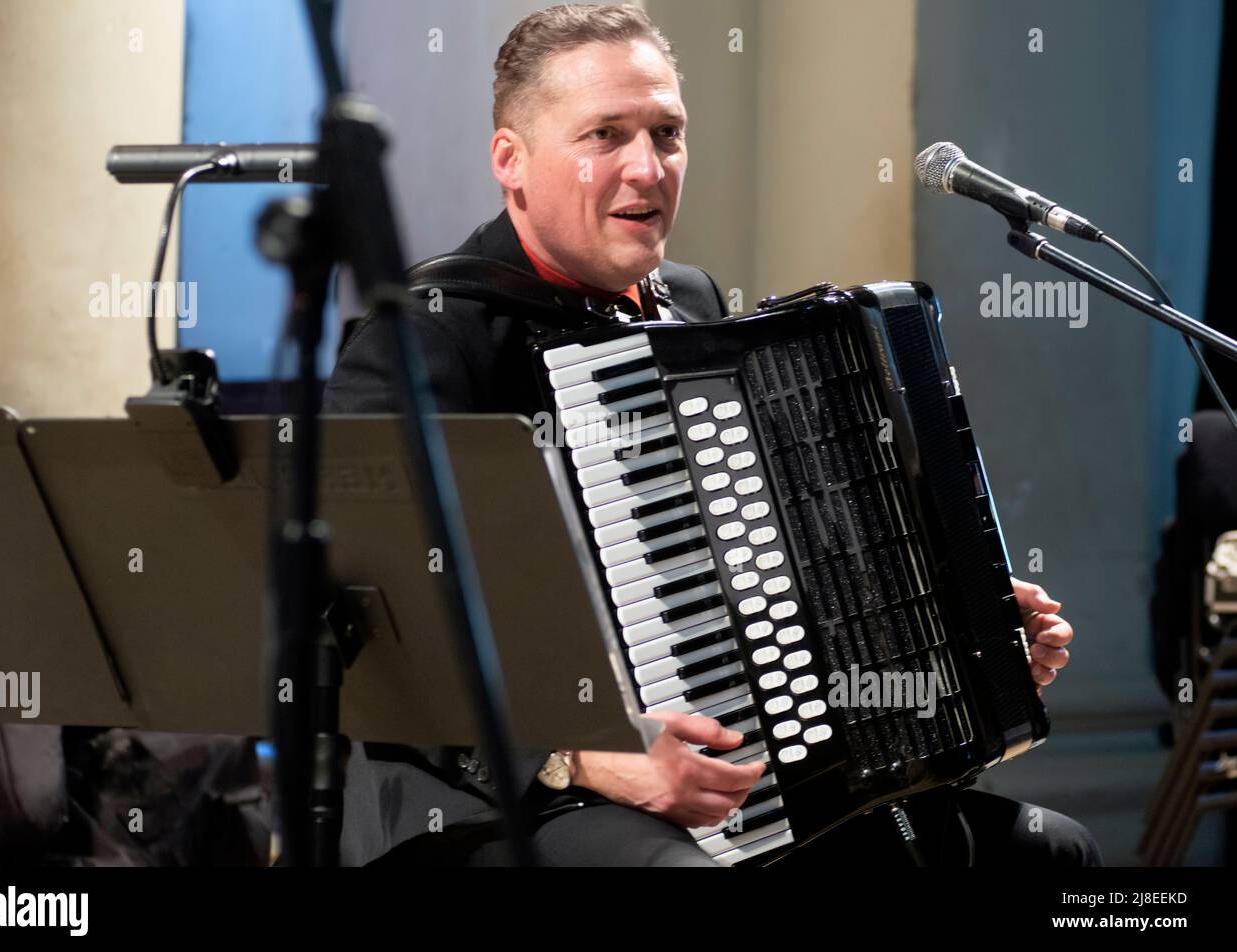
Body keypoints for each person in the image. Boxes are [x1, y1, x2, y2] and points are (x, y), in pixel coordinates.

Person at [323, 3, 1099, 867]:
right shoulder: (427, 338)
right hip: (493, 799)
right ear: (510, 159)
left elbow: (775, 567)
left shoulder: (692, 306)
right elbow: (373, 642)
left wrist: (959, 644)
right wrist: (581, 752)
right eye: (604, 135)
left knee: (1049, 854)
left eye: (667, 133)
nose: (647, 168)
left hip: (734, 771)